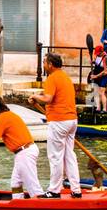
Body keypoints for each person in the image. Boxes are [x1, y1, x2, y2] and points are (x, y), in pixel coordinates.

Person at [29, 52, 81, 197]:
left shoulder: (52, 78)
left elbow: (48, 98)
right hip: (71, 120)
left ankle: (54, 190)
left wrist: (35, 97)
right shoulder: (65, 77)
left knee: (55, 156)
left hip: (59, 120)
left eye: (45, 62)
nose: (44, 65)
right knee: (69, 155)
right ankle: (76, 190)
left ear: (50, 65)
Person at [89, 42, 107, 114]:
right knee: (96, 92)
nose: (97, 54)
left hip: (104, 76)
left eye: (98, 53)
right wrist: (93, 62)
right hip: (96, 74)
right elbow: (97, 63)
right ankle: (98, 107)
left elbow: (105, 71)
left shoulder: (106, 58)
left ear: (102, 51)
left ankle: (105, 109)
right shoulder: (97, 56)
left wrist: (96, 76)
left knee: (101, 92)